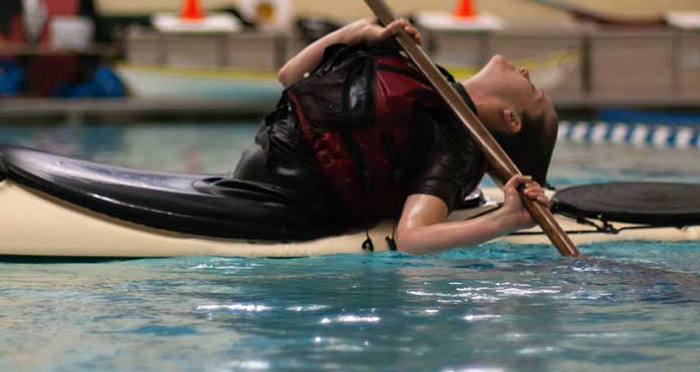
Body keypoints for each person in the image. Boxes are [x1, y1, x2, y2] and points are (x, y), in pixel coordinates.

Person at [232, 18, 555, 254]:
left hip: (281, 186)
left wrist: (505, 220)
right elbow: (290, 76)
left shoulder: (459, 150)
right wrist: (357, 34)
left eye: (533, 90)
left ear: (510, 119)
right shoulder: (430, 79)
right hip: (269, 168)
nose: (526, 72)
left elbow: (412, 238)